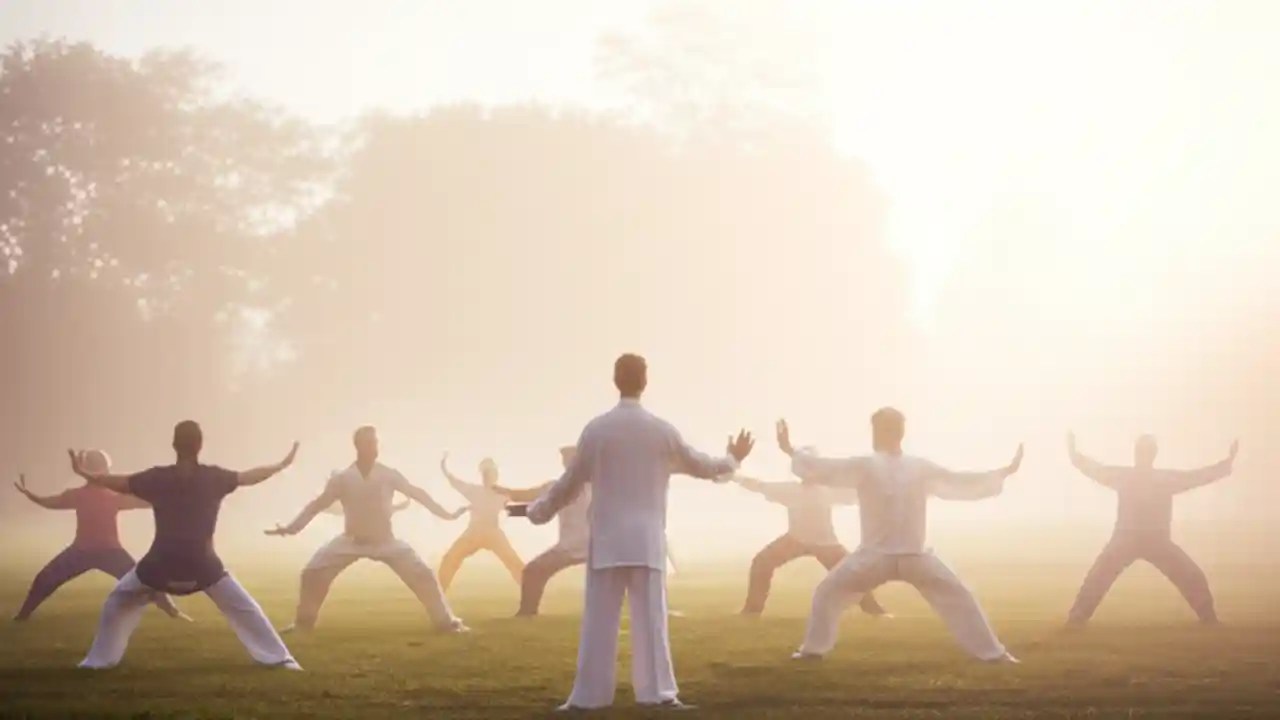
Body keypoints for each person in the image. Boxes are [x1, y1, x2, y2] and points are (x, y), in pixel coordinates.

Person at [525, 353, 754, 710]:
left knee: (598, 624)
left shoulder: (596, 429)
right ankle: (660, 695)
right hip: (646, 540)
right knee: (652, 623)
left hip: (606, 540)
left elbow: (569, 483)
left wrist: (537, 512)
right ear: (644, 381)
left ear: (615, 380)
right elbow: (703, 466)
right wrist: (734, 460)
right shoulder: (661, 430)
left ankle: (586, 699)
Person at [780, 409, 1022, 663]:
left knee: (827, 593)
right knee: (960, 597)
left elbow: (821, 468)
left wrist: (791, 450)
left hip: (875, 559)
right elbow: (959, 480)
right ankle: (995, 655)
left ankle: (812, 651)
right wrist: (1003, 473)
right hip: (913, 557)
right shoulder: (917, 466)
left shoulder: (868, 464)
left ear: (879, 431)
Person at [70, 421, 301, 670]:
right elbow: (249, 477)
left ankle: (97, 661)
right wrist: (281, 465)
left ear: (173, 445)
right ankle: (280, 659)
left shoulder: (157, 478)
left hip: (158, 569)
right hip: (203, 568)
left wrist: (86, 474)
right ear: (200, 445)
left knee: (117, 601)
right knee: (244, 609)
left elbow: (116, 482)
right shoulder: (213, 477)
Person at [267, 426, 468, 634]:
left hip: (386, 542)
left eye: (375, 443)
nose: (374, 448)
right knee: (312, 573)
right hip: (351, 541)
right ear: (358, 446)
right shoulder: (344, 478)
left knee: (423, 574)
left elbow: (418, 495)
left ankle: (446, 623)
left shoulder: (388, 474)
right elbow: (318, 504)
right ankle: (303, 625)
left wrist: (447, 514)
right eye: (369, 443)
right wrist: (292, 528)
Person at [1065, 432, 1237, 626]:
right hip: (1144, 540)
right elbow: (1195, 477)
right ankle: (1208, 616)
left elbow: (1096, 470)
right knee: (1188, 575)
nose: (1144, 455)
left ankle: (1077, 616)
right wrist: (1225, 465)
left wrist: (1075, 455)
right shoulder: (1157, 478)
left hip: (1135, 540)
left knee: (1099, 576)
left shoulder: (1131, 477)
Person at [13, 451, 187, 622]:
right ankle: (173, 611)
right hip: (99, 552)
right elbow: (145, 502)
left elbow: (49, 503)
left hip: (89, 552)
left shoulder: (84, 495)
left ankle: (22, 615)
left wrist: (31, 495)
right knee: (144, 580)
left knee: (46, 579)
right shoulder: (108, 495)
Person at [733, 470, 888, 617]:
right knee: (761, 563)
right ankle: (752, 609)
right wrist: (734, 476)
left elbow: (860, 493)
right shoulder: (791, 489)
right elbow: (758, 486)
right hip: (795, 540)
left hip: (825, 544)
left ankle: (872, 608)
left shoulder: (828, 490)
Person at [493, 446, 588, 617]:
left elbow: (537, 505)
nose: (566, 463)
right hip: (596, 546)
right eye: (564, 460)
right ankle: (527, 613)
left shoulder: (559, 487)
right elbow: (529, 499)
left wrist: (508, 504)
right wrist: (503, 495)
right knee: (533, 572)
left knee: (533, 572)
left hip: (571, 547)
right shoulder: (600, 485)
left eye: (568, 459)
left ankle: (527, 613)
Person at [437, 454, 524, 592]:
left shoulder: (502, 494)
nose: (487, 477)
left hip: (492, 532)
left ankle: (531, 597)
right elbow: (454, 482)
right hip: (474, 532)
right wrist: (444, 469)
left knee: (514, 563)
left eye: (489, 473)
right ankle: (438, 597)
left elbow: (516, 509)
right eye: (485, 474)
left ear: (495, 475)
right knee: (449, 559)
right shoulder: (474, 491)